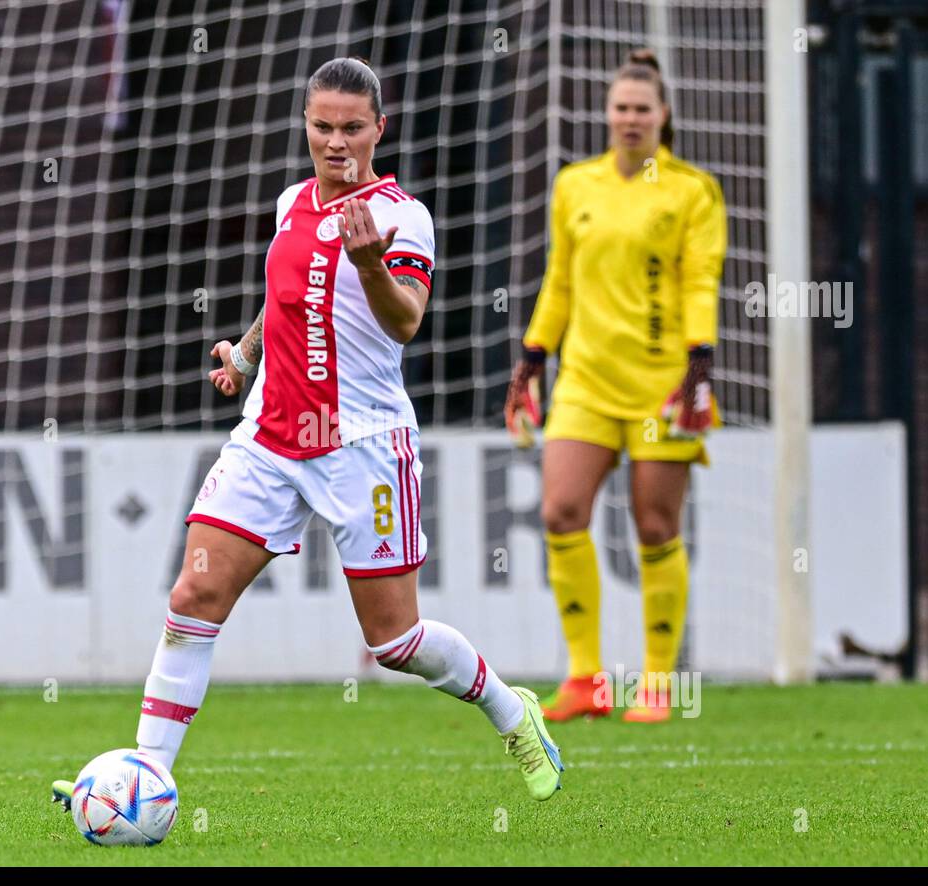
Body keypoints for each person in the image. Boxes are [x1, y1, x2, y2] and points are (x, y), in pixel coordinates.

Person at [56, 57, 562, 811]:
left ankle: (511, 712)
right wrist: (246, 354)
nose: (336, 142)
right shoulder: (293, 199)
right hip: (269, 436)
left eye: (352, 128)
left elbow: (406, 321)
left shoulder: (402, 218)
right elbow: (283, 297)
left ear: (378, 129)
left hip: (361, 445)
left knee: (395, 642)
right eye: (322, 126)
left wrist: (368, 264)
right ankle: (148, 776)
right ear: (306, 126)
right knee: (195, 593)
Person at [505, 49, 727, 723]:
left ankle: (658, 680)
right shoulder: (577, 185)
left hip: (663, 383)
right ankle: (585, 679)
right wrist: (534, 355)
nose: (630, 119)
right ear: (607, 114)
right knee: (558, 511)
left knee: (655, 524)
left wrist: (699, 362)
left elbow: (699, 279)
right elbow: (561, 279)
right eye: (621, 108)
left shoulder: (692, 190)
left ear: (663, 116)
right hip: (586, 381)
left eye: (642, 109)